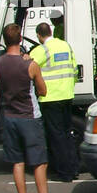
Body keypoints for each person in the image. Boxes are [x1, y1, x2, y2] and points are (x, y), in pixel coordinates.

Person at [0, 23, 71, 193]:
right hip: (29, 117)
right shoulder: (30, 65)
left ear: (5, 41)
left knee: (17, 162)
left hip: (10, 117)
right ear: (20, 39)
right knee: (39, 162)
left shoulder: (0, 64)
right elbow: (43, 90)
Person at [29, 21, 79, 182]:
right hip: (67, 94)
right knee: (68, 134)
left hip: (51, 98)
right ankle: (73, 168)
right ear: (51, 31)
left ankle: (64, 173)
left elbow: (28, 67)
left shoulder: (41, 49)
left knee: (56, 137)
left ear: (38, 35)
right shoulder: (65, 46)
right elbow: (75, 69)